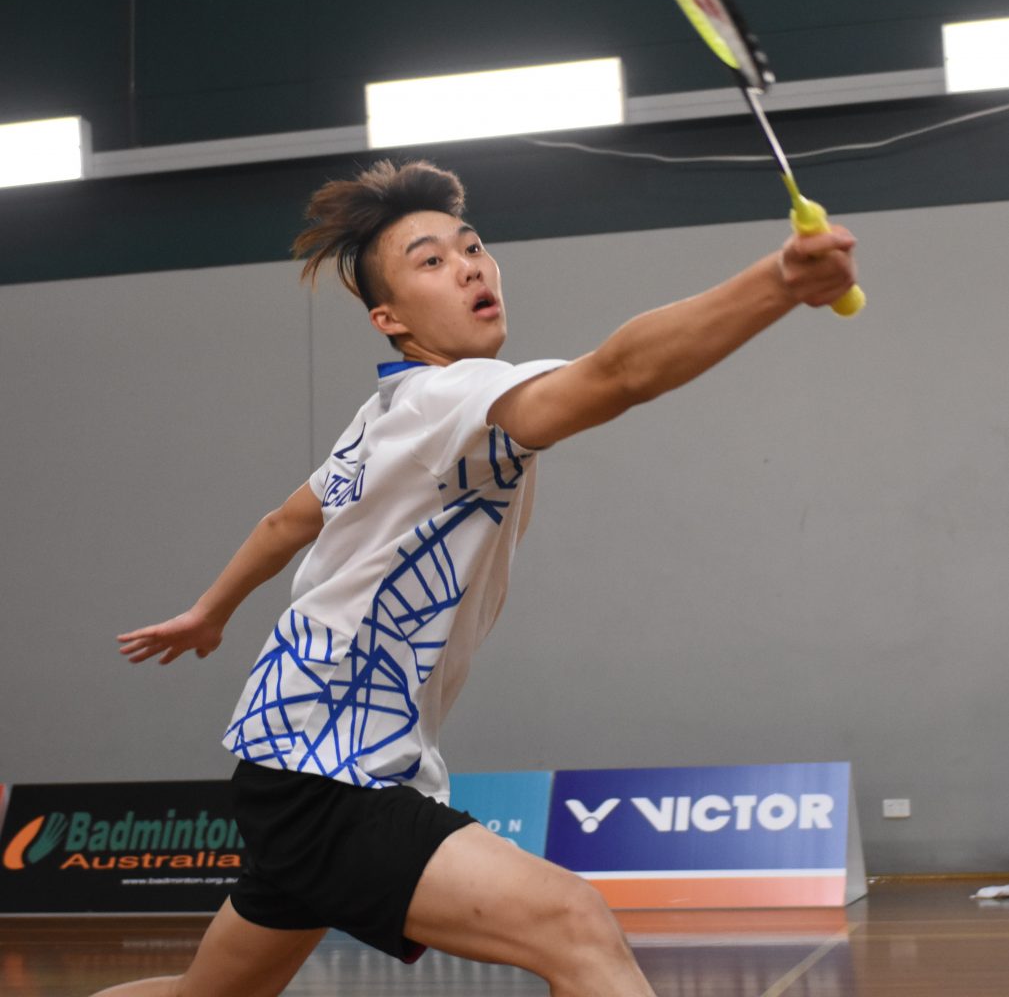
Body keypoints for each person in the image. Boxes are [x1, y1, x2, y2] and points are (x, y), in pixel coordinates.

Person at [96, 159, 857, 997]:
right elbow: (617, 376)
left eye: (472, 246)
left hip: (301, 759)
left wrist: (209, 612)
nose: (468, 266)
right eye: (430, 260)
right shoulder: (449, 400)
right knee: (572, 924)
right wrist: (779, 281)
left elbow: (288, 522)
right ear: (387, 317)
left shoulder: (385, 412)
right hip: (326, 772)